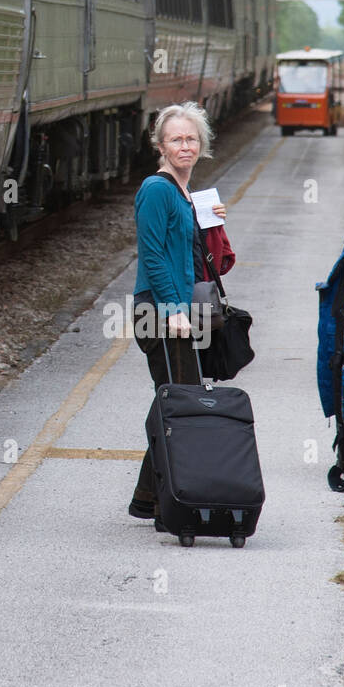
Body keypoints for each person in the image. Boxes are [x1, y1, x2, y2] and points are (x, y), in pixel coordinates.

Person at [128, 101, 227, 522]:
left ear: (201, 143)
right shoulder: (156, 189)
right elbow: (151, 255)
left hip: (180, 310)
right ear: (161, 145)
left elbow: (202, 260)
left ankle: (149, 499)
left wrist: (215, 223)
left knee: (173, 402)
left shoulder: (187, 193)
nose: (184, 146)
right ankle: (167, 504)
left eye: (191, 139)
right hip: (160, 310)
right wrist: (172, 311)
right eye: (176, 139)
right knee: (179, 406)